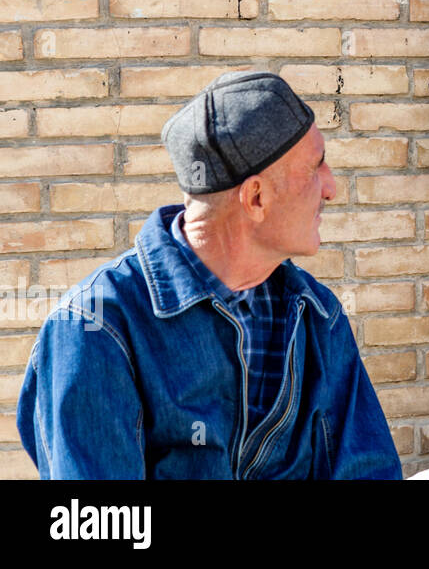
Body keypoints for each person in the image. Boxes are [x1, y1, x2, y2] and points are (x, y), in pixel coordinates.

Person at [17, 72, 401, 479]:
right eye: (315, 167)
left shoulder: (318, 315)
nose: (332, 188)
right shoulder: (94, 328)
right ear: (256, 198)